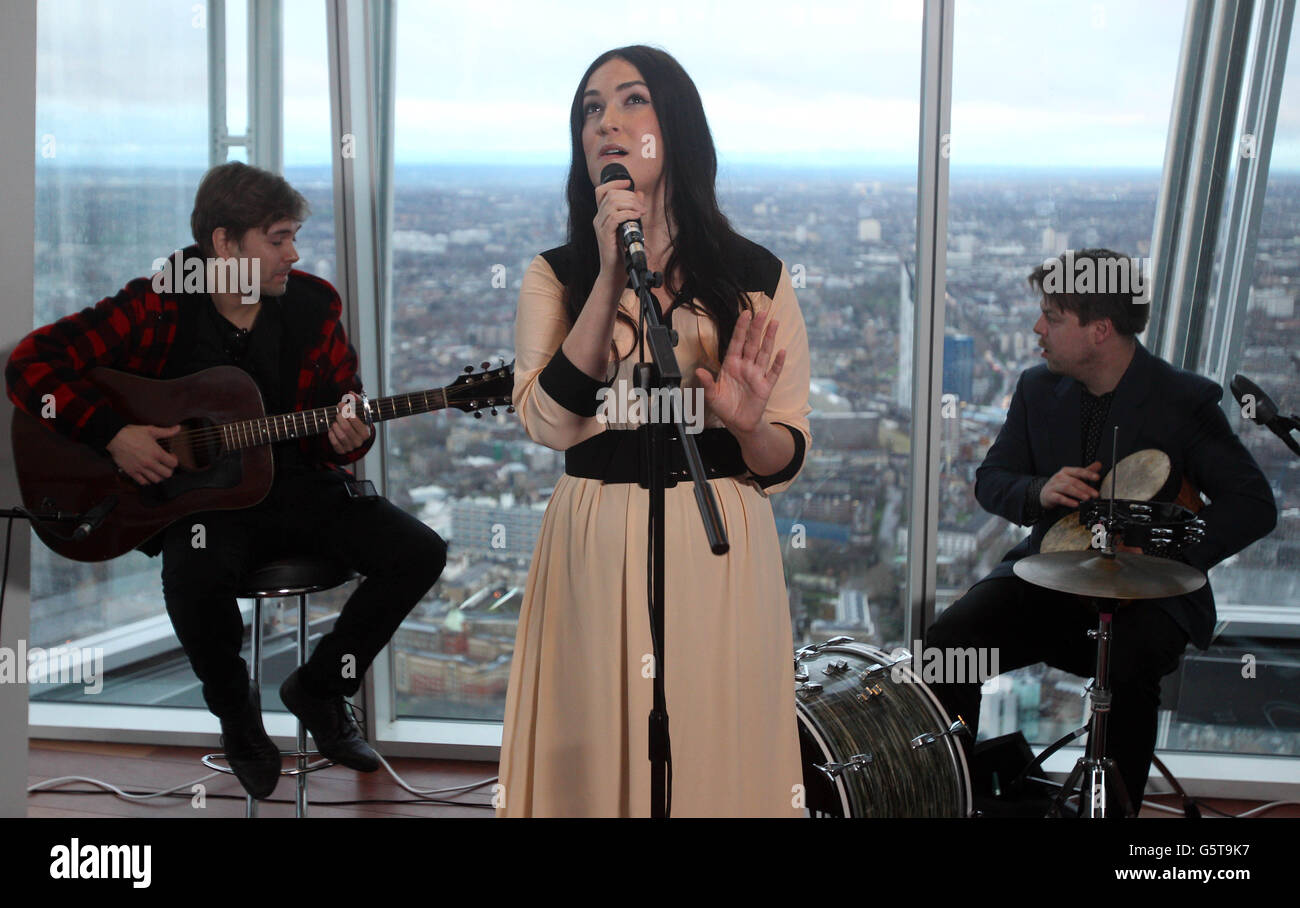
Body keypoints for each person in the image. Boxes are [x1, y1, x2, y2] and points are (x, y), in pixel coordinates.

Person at [6, 162, 447, 800]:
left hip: (296, 486)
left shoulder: (312, 305)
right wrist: (112, 432)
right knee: (193, 575)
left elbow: (339, 402)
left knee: (419, 550)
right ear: (224, 243)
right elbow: (30, 365)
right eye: (278, 238)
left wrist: (350, 433)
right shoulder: (158, 301)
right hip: (203, 507)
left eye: (293, 237)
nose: (293, 254)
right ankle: (236, 714)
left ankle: (321, 690)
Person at [498, 45, 812, 817]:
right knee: (597, 749)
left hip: (721, 542)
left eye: (631, 100)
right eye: (590, 108)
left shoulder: (757, 274)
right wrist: (607, 275)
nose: (606, 120)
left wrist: (744, 427)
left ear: (675, 124)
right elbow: (549, 420)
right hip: (595, 538)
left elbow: (785, 456)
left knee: (715, 745)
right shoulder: (556, 272)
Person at [925, 248, 1277, 811]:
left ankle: (1115, 815)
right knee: (946, 646)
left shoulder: (1184, 401)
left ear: (1100, 330)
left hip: (1149, 594)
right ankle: (962, 794)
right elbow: (991, 480)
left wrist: (1163, 547)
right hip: (1052, 578)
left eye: (1053, 317)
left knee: (1131, 674)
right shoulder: (1037, 389)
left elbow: (1253, 505)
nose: (1037, 328)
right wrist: (1039, 491)